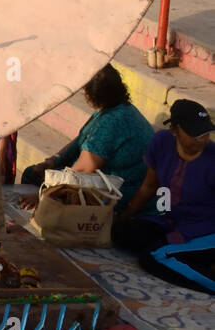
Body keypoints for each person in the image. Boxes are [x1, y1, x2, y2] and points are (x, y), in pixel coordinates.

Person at [113, 99, 215, 293]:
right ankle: (196, 259)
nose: (202, 139)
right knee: (122, 233)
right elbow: (150, 187)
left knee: (154, 257)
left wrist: (183, 236)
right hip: (173, 220)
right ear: (175, 130)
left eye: (205, 133)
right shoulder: (161, 142)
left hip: (206, 231)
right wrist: (124, 217)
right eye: (195, 134)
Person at [19, 63, 154, 208]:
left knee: (32, 179)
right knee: (34, 173)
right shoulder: (117, 107)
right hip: (99, 177)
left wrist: (43, 196)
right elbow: (82, 139)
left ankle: (51, 223)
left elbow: (82, 172)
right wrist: (54, 160)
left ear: (90, 95)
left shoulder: (112, 122)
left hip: (113, 192)